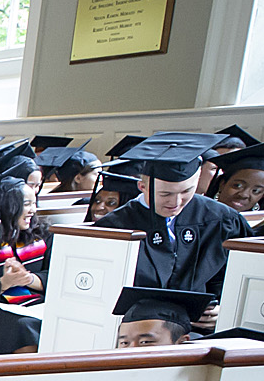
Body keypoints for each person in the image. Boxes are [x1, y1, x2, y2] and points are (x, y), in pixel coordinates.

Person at [94, 132, 250, 308]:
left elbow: (234, 277)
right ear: (142, 186)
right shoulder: (114, 226)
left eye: (186, 191)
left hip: (201, 328)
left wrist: (222, 309)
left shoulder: (221, 219)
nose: (176, 202)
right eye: (165, 194)